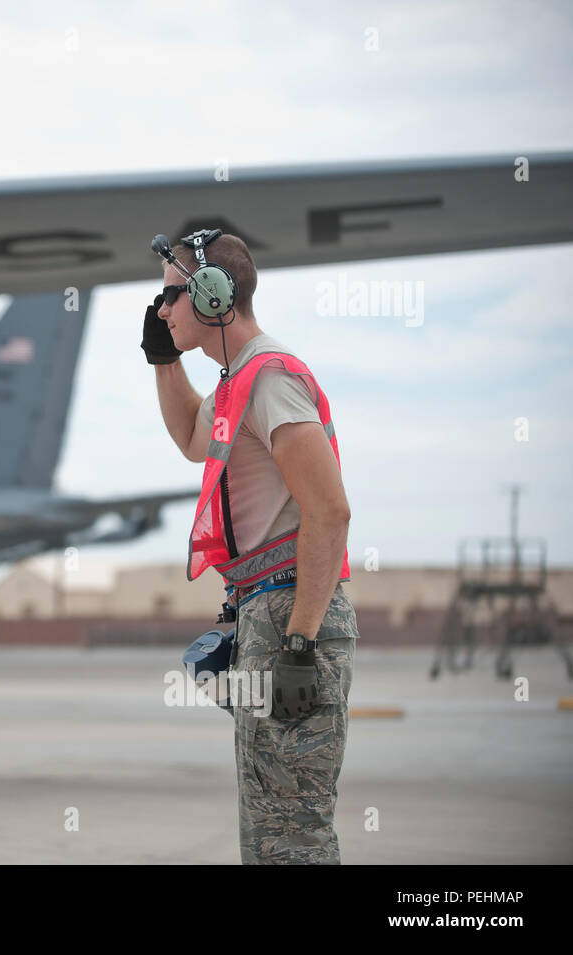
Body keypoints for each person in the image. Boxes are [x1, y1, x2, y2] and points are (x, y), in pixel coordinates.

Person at [142, 229, 359, 865]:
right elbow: (189, 435)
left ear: (214, 297)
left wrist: (299, 643)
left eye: (171, 298)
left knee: (293, 834)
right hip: (268, 613)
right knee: (270, 832)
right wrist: (163, 358)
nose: (162, 311)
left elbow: (330, 511)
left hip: (294, 617)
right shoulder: (239, 383)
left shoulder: (270, 380)